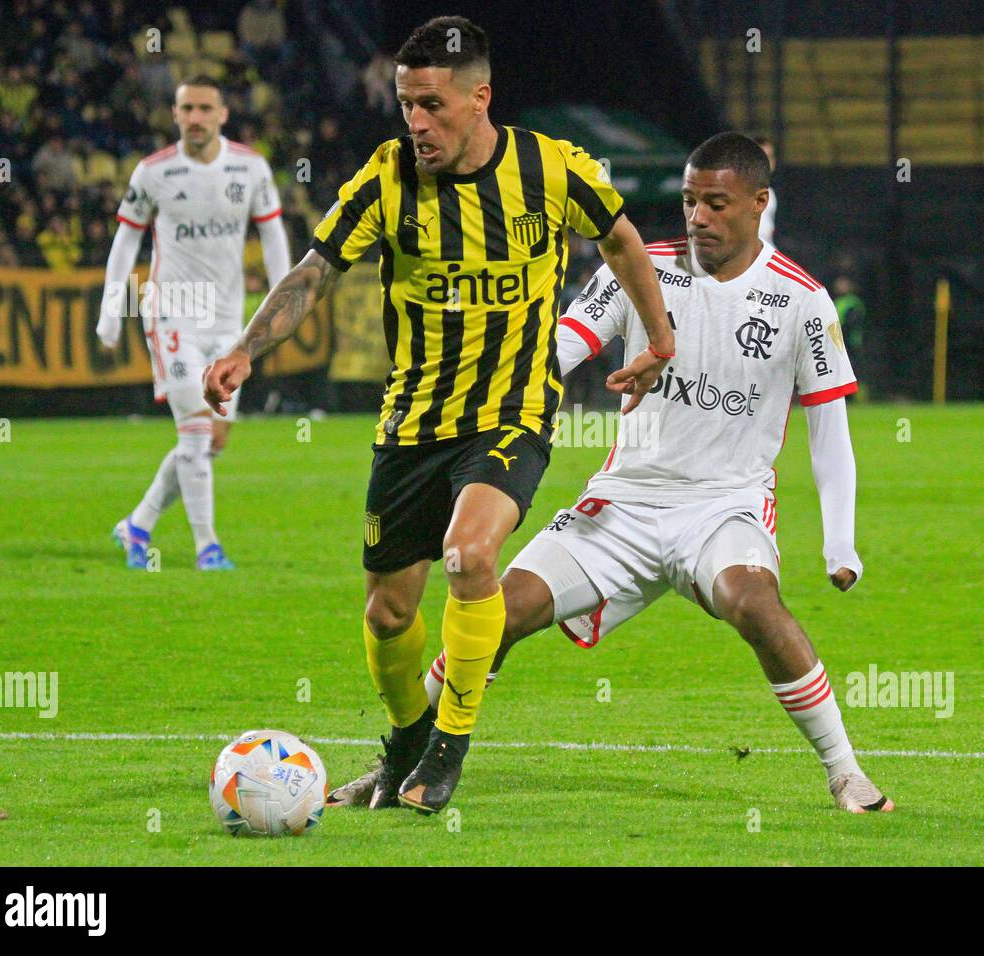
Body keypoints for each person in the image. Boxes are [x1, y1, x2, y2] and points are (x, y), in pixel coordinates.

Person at [335, 133, 894, 814]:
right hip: (621, 506)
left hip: (724, 509)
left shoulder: (802, 302)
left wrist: (840, 543)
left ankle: (845, 772)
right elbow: (561, 347)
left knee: (754, 602)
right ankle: (402, 762)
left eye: (716, 204)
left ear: (758, 204)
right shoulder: (641, 271)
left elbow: (829, 433)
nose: (698, 217)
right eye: (689, 201)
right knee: (498, 610)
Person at [202, 16, 674, 814]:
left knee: (467, 558)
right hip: (412, 422)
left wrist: (659, 338)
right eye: (404, 104)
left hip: (512, 412)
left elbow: (624, 242)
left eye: (430, 105)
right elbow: (315, 272)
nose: (415, 123)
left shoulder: (551, 169)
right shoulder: (386, 179)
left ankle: (448, 746)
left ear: (478, 97)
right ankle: (409, 740)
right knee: (388, 613)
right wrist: (248, 350)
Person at [98, 75, 291, 571]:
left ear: (223, 114)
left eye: (206, 108)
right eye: (188, 109)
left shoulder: (250, 168)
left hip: (229, 323)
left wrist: (283, 306)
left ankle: (136, 525)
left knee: (215, 438)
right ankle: (209, 548)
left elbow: (272, 238)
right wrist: (110, 309)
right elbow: (126, 242)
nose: (197, 118)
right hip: (171, 312)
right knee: (196, 433)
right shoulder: (154, 172)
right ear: (176, 115)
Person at [752, 135, 778, 244]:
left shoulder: (770, 193)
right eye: (763, 157)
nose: (768, 162)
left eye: (770, 156)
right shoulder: (740, 193)